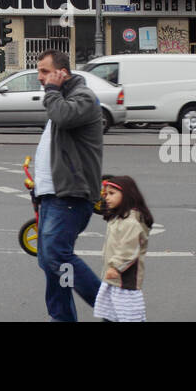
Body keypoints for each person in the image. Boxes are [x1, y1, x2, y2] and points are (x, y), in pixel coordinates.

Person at [33, 49, 104, 322]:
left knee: (57, 256)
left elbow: (63, 117)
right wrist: (37, 189)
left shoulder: (83, 98)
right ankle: (62, 317)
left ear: (62, 72)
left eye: (44, 71)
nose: (40, 78)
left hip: (72, 194)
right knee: (50, 262)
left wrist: (52, 90)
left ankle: (112, 308)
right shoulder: (63, 98)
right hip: (52, 195)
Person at [95, 174, 152, 322]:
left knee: (128, 315)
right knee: (111, 314)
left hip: (125, 281)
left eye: (112, 194)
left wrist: (116, 267)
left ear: (127, 195)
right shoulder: (119, 217)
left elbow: (129, 250)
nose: (107, 197)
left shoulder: (131, 222)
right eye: (106, 194)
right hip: (114, 280)